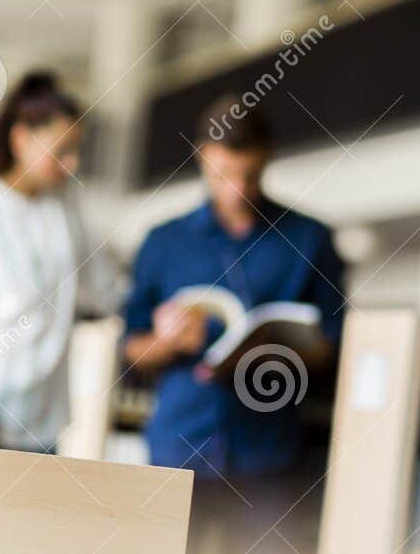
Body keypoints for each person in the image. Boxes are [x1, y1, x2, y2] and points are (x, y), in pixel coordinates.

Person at [122, 93, 346, 479]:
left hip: (269, 451)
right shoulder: (163, 242)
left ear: (268, 156)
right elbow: (131, 350)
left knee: (265, 543)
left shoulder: (310, 240)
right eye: (225, 174)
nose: (238, 191)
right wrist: (167, 342)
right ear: (202, 156)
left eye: (251, 175)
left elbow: (334, 346)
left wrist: (275, 352)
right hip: (180, 443)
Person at [0, 71, 122, 452]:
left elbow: (103, 290)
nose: (72, 163)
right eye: (61, 150)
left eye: (76, 150)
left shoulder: (64, 211)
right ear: (21, 139)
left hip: (44, 414)